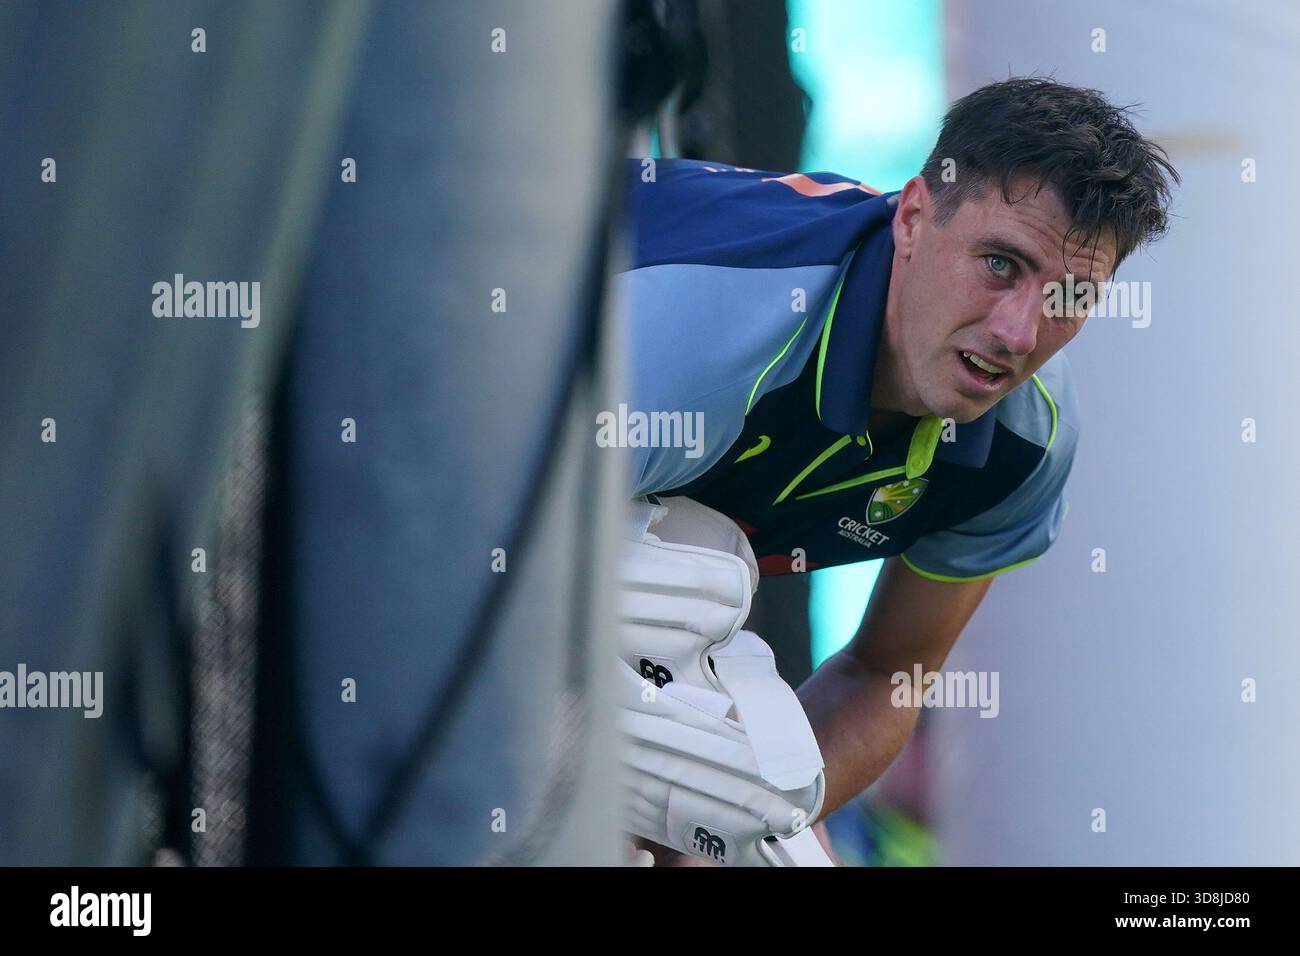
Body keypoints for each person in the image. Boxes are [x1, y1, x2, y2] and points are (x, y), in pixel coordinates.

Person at [613, 76, 1178, 864]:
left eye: (1071, 296)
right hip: (436, 420)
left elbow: (890, 670)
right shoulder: (696, 337)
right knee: (687, 581)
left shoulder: (1029, 443)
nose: (1019, 333)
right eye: (1000, 265)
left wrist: (743, 824)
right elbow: (445, 560)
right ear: (913, 216)